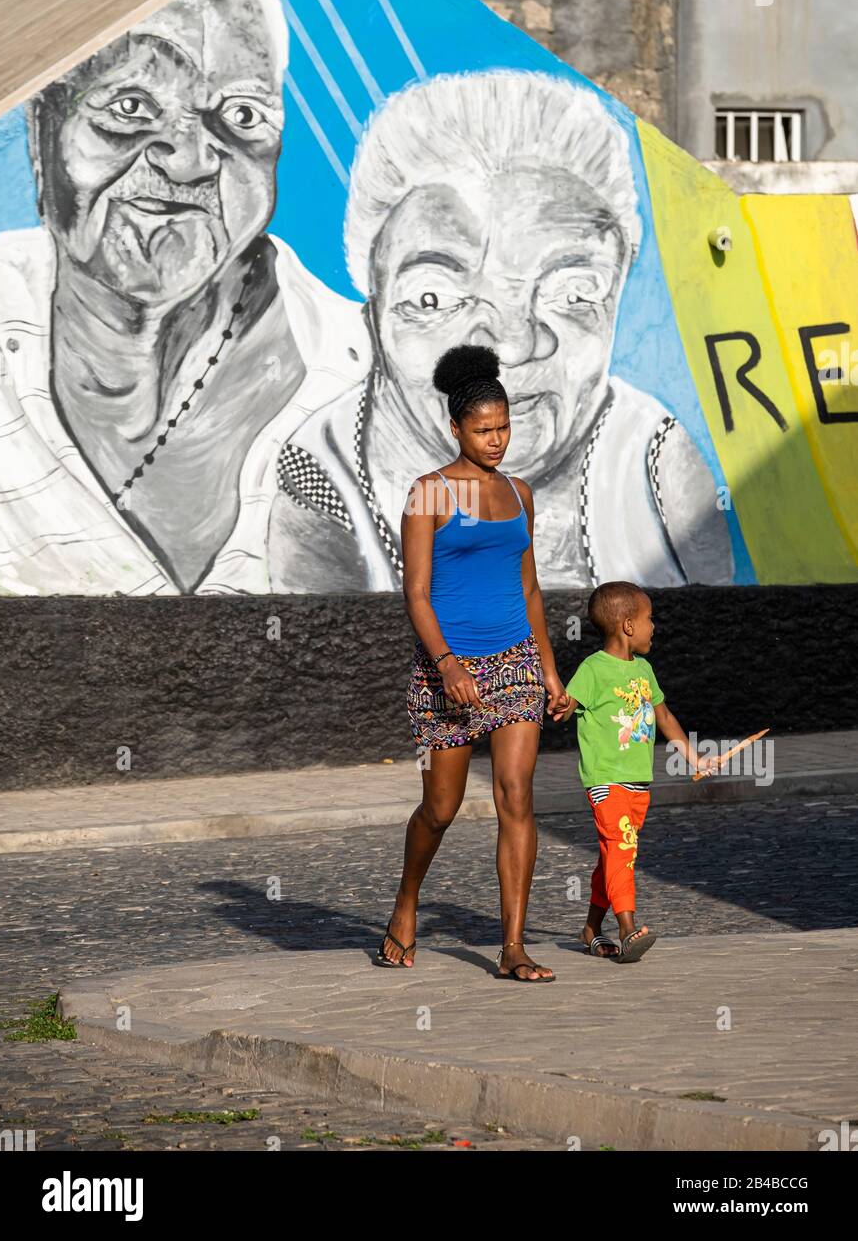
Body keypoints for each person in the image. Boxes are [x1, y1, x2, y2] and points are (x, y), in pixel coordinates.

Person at [0, 0, 369, 597]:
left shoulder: (371, 377)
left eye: (244, 116)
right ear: (40, 130)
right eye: (132, 106)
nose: (192, 159)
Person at [270, 68, 734, 593]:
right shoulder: (325, 477)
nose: (512, 345)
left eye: (573, 294)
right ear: (374, 318)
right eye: (433, 298)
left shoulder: (656, 466)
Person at [375, 342, 572, 982]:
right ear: (455, 428)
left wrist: (548, 670)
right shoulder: (428, 494)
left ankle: (512, 947)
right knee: (442, 806)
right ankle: (406, 903)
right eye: (483, 430)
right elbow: (416, 592)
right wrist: (448, 665)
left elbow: (531, 589)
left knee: (518, 797)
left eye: (504, 427)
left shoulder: (520, 494)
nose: (496, 440)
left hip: (514, 659)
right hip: (446, 670)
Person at [558, 580, 715, 961]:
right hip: (605, 780)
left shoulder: (644, 669)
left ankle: (592, 928)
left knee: (614, 853)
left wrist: (694, 758)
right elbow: (566, 705)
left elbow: (662, 714)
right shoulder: (593, 669)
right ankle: (628, 928)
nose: (654, 626)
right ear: (628, 625)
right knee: (622, 847)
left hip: (638, 782)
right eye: (649, 619)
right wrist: (559, 703)